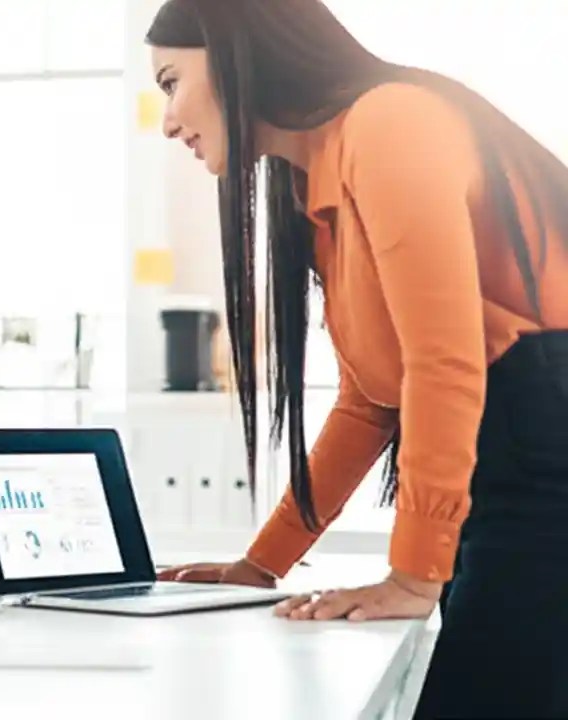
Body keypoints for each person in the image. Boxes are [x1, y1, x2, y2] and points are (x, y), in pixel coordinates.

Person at [145, 1, 568, 716]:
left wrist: (414, 574)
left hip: (544, 442)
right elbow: (370, 401)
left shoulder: (388, 121)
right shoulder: (315, 186)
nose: (167, 121)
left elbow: (445, 358)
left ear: (235, 52)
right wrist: (261, 563)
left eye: (169, 82)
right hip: (512, 459)